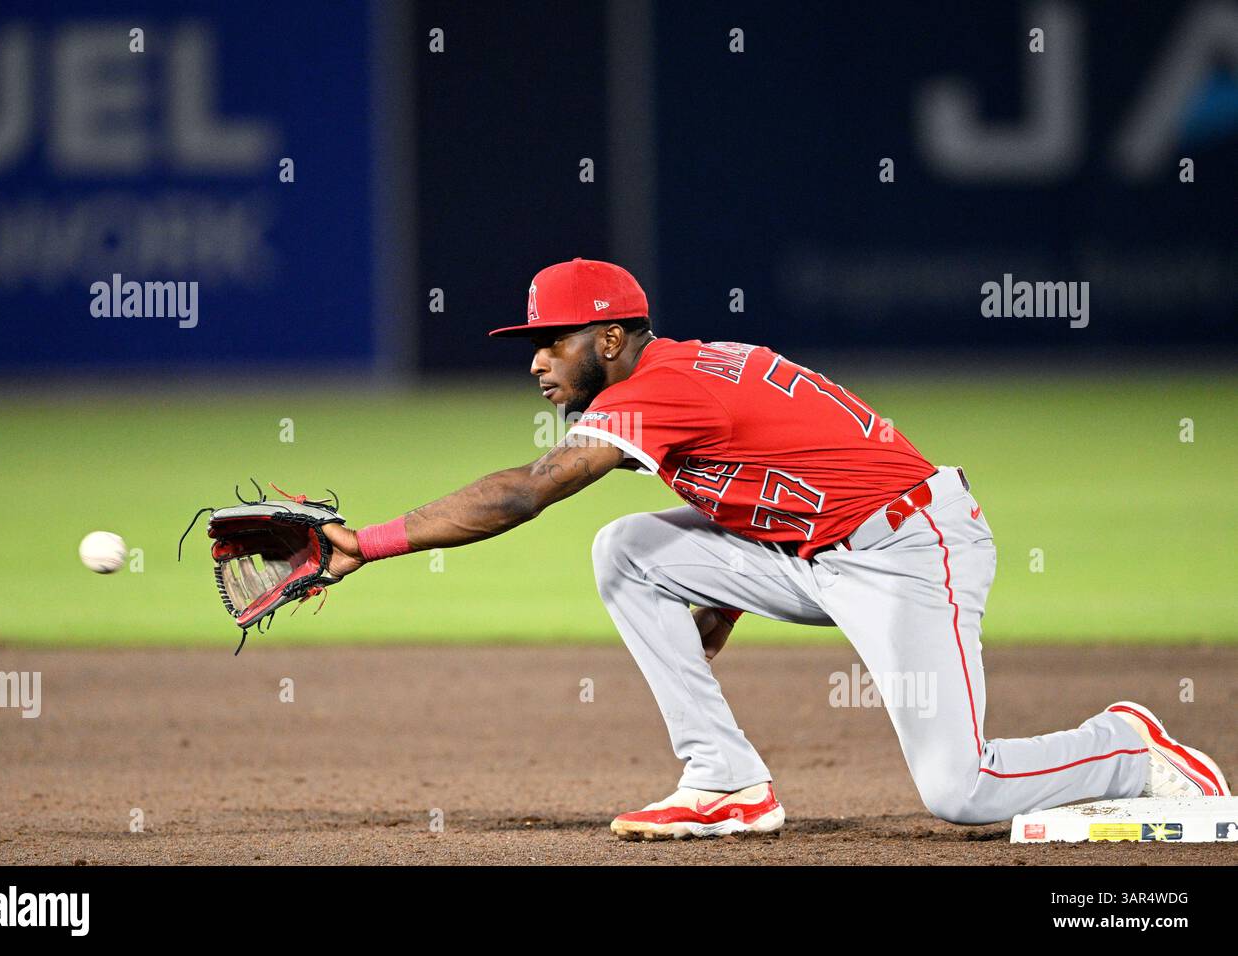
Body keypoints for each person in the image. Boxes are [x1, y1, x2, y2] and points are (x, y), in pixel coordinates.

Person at [322, 258, 1229, 841]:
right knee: (628, 549)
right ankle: (725, 779)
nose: (535, 363)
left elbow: (526, 491)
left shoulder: (657, 390)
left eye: (550, 342)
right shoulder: (687, 366)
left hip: (909, 551)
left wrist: (366, 542)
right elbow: (763, 476)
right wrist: (717, 595)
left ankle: (1125, 746)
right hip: (820, 552)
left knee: (963, 790)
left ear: (608, 337)